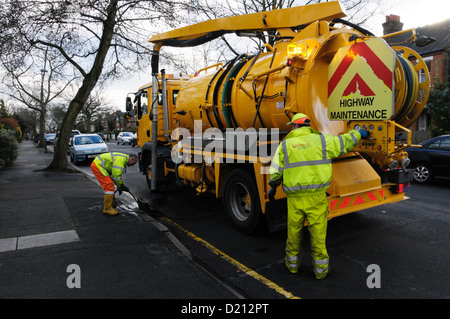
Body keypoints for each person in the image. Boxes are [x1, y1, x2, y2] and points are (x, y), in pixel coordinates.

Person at [268, 113, 368, 279]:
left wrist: (273, 185)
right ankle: (320, 271)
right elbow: (344, 143)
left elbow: (276, 171)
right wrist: (358, 133)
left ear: (294, 126)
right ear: (308, 125)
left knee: (293, 233)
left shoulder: (285, 145)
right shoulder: (323, 141)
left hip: (295, 199)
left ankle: (292, 266)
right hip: (317, 198)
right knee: (318, 235)